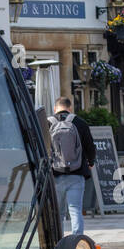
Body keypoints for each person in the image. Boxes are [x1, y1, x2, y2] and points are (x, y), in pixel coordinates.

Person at [47, 96, 96, 235]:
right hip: (77, 173)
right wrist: (91, 162)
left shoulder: (47, 123)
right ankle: (77, 241)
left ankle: (58, 241)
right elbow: (90, 147)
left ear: (55, 108)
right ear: (70, 108)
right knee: (75, 210)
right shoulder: (80, 123)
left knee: (59, 212)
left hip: (55, 174)